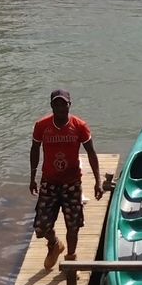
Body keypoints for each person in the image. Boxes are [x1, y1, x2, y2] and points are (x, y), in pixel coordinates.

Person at [30, 88, 100, 271]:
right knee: (41, 225)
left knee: (73, 225)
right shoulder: (41, 125)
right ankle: (54, 244)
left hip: (72, 182)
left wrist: (98, 181)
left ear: (69, 105)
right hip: (49, 181)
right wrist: (32, 176)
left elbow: (91, 152)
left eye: (64, 104)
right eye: (57, 104)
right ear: (51, 105)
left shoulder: (79, 126)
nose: (60, 108)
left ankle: (70, 260)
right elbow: (35, 150)